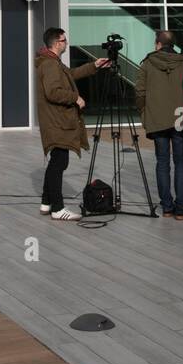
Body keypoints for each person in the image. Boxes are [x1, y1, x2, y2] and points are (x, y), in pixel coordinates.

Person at [35, 28, 108, 221]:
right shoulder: (49, 64)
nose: (66, 43)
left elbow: (71, 74)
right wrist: (75, 97)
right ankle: (58, 209)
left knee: (56, 162)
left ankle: (46, 203)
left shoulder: (52, 62)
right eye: (64, 40)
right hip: (57, 121)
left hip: (56, 120)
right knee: (59, 162)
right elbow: (53, 92)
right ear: (57, 43)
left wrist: (94, 65)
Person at [135, 29, 183, 219]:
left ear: (158, 44)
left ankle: (167, 207)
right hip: (181, 115)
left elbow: (139, 92)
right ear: (173, 44)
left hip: (157, 117)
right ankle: (182, 207)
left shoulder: (147, 63)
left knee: (162, 162)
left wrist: (144, 111)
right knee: (181, 162)